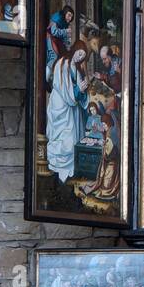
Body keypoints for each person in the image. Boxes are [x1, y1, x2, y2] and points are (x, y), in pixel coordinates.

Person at [46, 44, 89, 183]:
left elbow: (75, 92)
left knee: (74, 137)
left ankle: (71, 173)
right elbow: (65, 89)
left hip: (71, 107)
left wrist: (82, 90)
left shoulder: (75, 67)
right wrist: (78, 91)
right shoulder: (63, 64)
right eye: (79, 53)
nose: (80, 57)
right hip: (61, 105)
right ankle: (60, 173)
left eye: (83, 56)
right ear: (74, 50)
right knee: (66, 138)